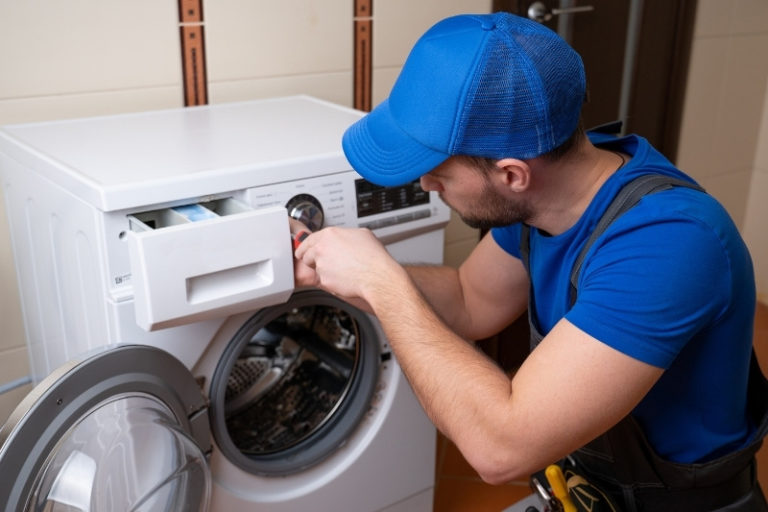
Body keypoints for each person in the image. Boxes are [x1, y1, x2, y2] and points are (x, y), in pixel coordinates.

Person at [292, 12, 768, 511]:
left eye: (437, 173)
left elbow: (500, 450)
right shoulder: (552, 193)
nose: (427, 185)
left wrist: (382, 283)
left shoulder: (669, 243)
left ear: (512, 174)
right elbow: (469, 299)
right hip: (582, 492)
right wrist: (340, 271)